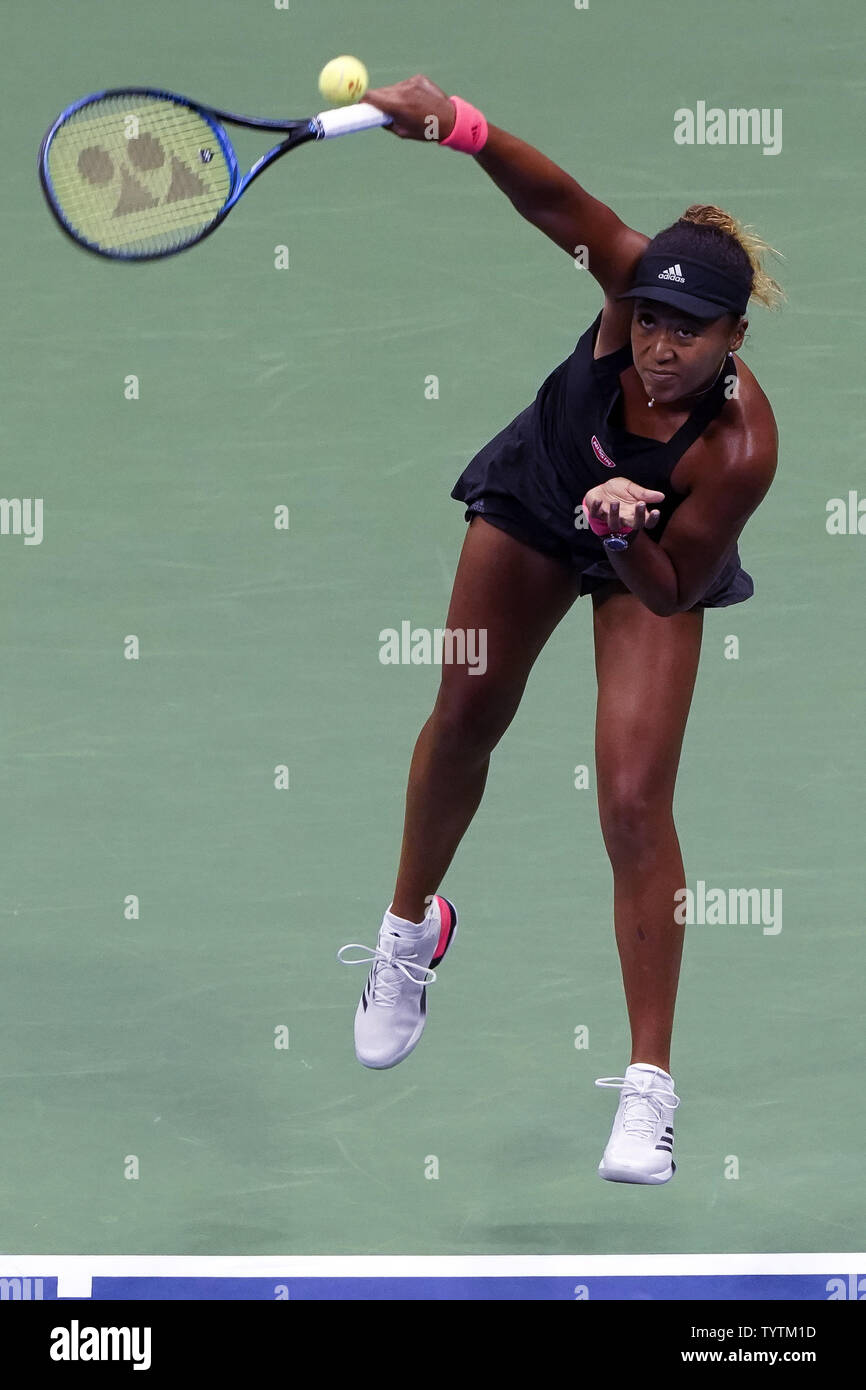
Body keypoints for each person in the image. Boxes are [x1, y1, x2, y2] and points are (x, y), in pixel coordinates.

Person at [338, 76, 782, 1184]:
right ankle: (407, 931)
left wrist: (629, 533)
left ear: (733, 336)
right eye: (646, 319)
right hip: (539, 498)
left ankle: (647, 1090)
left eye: (687, 332)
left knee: (633, 798)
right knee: (465, 715)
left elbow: (676, 588)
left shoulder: (736, 451)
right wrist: (452, 121)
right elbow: (554, 200)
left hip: (655, 561)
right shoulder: (621, 296)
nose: (656, 345)